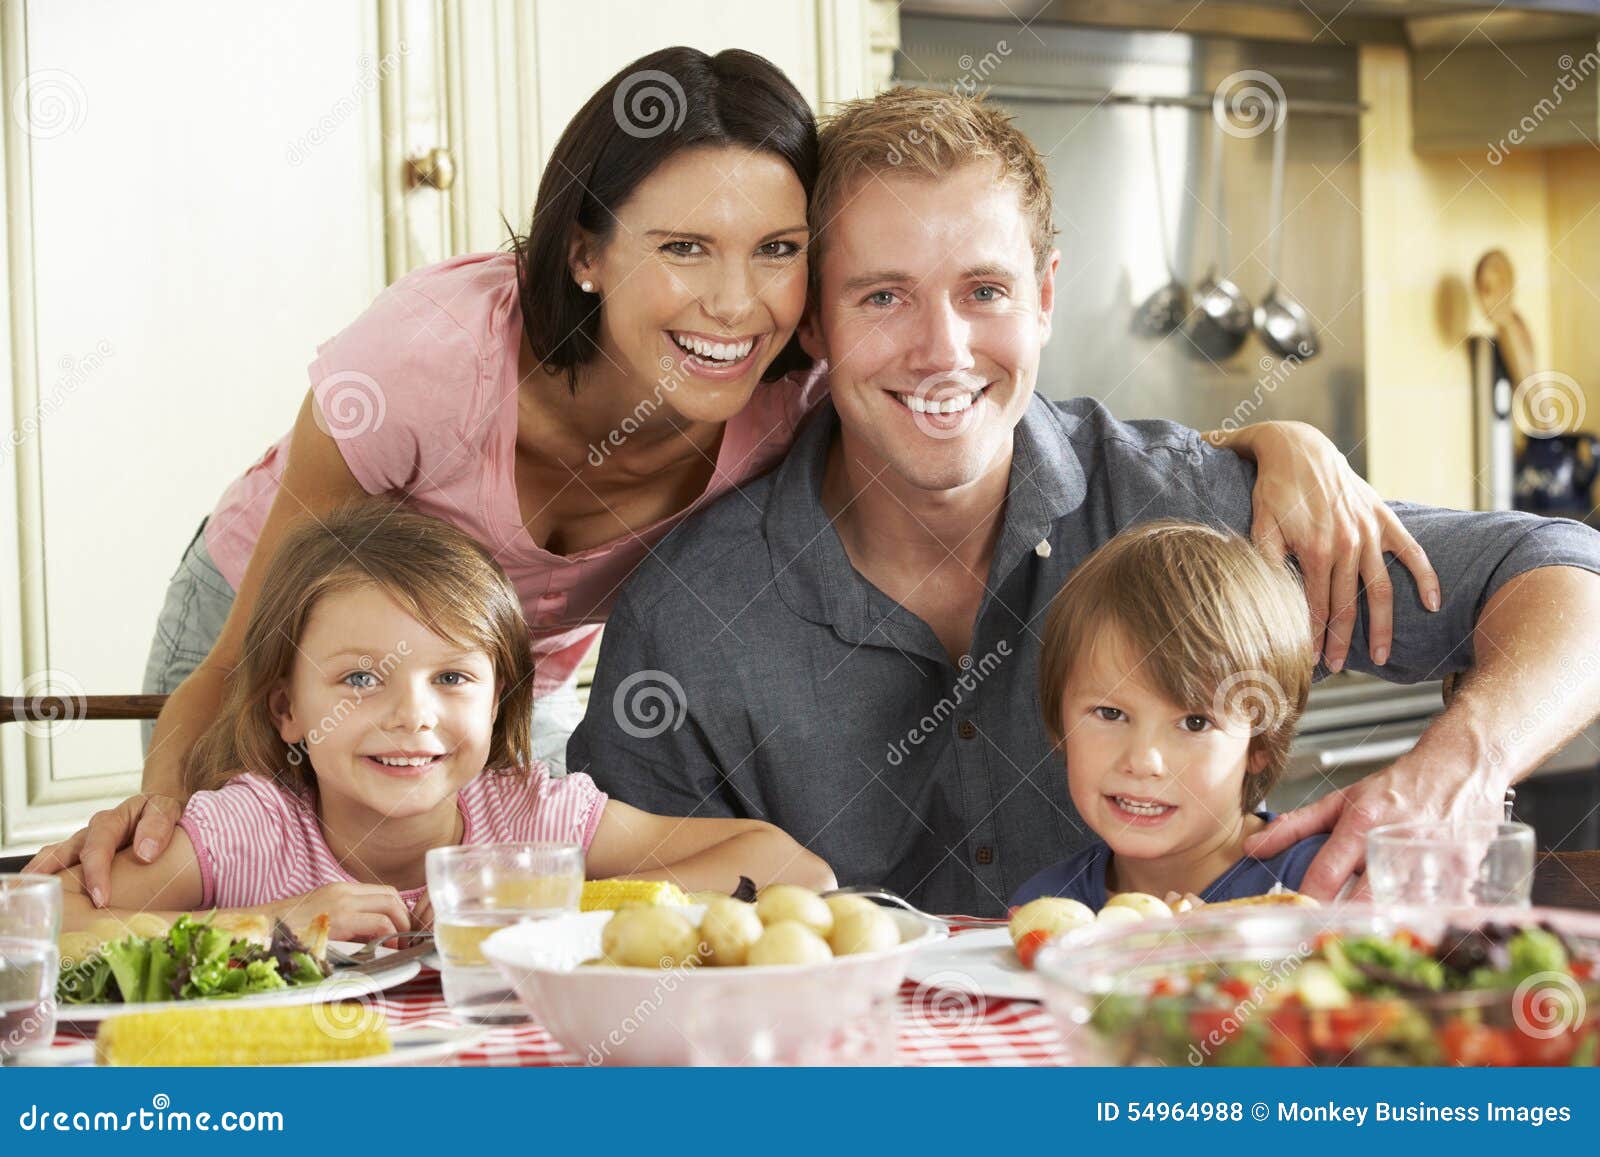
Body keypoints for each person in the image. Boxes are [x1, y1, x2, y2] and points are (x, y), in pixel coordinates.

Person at [33, 48, 1430, 900]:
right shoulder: (419, 358)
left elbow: (979, 379)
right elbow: (253, 650)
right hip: (282, 617)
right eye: (684, 247)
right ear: (589, 248)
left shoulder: (787, 382)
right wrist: (167, 796)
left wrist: (1265, 441)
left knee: (430, 902)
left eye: (775, 253)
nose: (738, 299)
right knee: (222, 876)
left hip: (475, 674)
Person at [566, 87, 1600, 915]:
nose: (943, 349)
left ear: (1046, 295)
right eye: (882, 295)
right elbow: (615, 929)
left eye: (985, 290)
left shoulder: (1187, 501)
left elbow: (1565, 574)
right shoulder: (689, 612)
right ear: (815, 325)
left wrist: (1458, 765)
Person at [58, 504, 833, 936]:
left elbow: (791, 866)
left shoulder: (529, 819)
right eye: (360, 677)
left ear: (497, 706)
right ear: (288, 710)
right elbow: (42, 922)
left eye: (453, 676)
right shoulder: (250, 831)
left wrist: (560, 907)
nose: (412, 715)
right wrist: (267, 923)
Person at [1009, 521, 1324, 909]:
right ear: (1060, 723)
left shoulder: (1320, 884)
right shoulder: (1043, 906)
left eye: (1195, 722)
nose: (1143, 762)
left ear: (1260, 744)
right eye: (1110, 713)